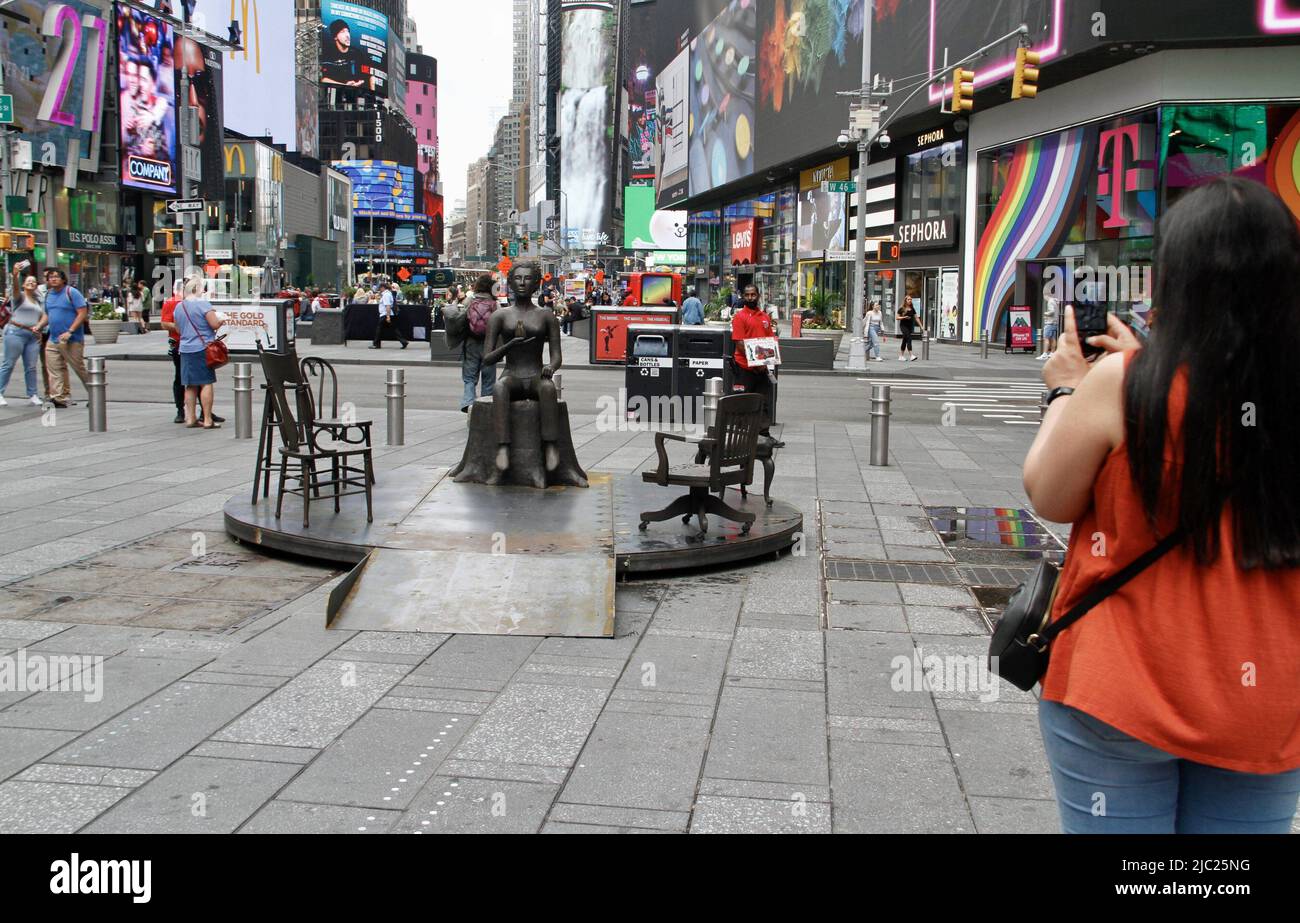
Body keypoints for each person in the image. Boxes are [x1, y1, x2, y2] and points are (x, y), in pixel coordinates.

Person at [1023, 177, 1300, 834]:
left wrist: (1067, 391)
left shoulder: (1127, 383)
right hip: (1264, 696)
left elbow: (1050, 494)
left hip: (1120, 687)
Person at [172, 276, 226, 429]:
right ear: (196, 289)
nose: (204, 290)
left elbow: (178, 329)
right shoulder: (203, 304)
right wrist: (221, 320)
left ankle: (190, 418)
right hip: (203, 348)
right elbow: (214, 324)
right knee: (206, 383)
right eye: (202, 287)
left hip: (185, 348)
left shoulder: (179, 307)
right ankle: (208, 419)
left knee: (190, 385)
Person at [730, 284, 778, 438]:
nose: (750, 297)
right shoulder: (739, 317)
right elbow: (739, 343)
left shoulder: (764, 317)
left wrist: (767, 362)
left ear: (758, 296)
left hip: (762, 368)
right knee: (743, 401)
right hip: (744, 367)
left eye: (753, 295)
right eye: (747, 295)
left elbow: (770, 341)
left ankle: (763, 435)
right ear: (743, 297)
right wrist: (757, 363)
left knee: (763, 401)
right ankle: (742, 436)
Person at [0, 267, 48, 407]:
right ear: (23, 284)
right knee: (8, 364)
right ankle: (0, 393)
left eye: (34, 282)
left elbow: (45, 316)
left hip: (32, 336)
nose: (31, 283)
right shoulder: (19, 296)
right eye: (28, 281)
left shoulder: (39, 300)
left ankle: (32, 394)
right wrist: (15, 275)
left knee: (31, 366)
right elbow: (15, 287)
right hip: (16, 332)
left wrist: (39, 326)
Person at [43, 269, 90, 408]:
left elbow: (82, 313)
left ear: (64, 279)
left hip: (72, 338)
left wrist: (70, 331)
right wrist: (38, 326)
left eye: (56, 277)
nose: (53, 279)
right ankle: (58, 397)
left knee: (78, 368)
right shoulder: (48, 295)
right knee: (55, 368)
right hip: (53, 338)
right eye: (50, 277)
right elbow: (47, 315)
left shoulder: (71, 292)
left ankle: (95, 394)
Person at [461, 274, 499, 413]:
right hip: (489, 345)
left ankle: (469, 402)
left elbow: (460, 318)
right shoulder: (495, 304)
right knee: (488, 378)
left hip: (471, 343)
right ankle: (485, 408)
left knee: (469, 376)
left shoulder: (469, 300)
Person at [371, 282, 408, 349]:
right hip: (388, 314)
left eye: (380, 288)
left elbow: (387, 306)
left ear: (383, 288)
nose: (379, 289)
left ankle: (376, 344)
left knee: (379, 330)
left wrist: (388, 316)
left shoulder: (386, 295)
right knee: (394, 329)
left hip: (385, 314)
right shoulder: (388, 294)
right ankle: (403, 341)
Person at [895, 294, 921, 362]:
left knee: (905, 340)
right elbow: (897, 317)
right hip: (903, 326)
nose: (910, 300)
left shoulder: (912, 309)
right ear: (905, 300)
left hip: (910, 326)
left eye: (911, 299)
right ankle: (911, 355)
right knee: (909, 338)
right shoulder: (901, 308)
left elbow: (916, 318)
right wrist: (904, 317)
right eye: (908, 299)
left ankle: (901, 356)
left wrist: (921, 326)